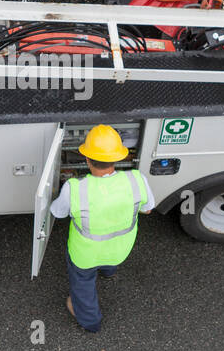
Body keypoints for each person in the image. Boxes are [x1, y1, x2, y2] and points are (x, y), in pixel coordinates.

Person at [49, 125, 154, 332]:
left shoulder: (74, 187)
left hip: (85, 256)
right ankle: (108, 271)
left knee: (83, 284)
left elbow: (57, 213)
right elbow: (148, 209)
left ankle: (90, 322)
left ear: (87, 159)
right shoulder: (136, 179)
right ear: (118, 158)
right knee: (108, 257)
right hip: (120, 251)